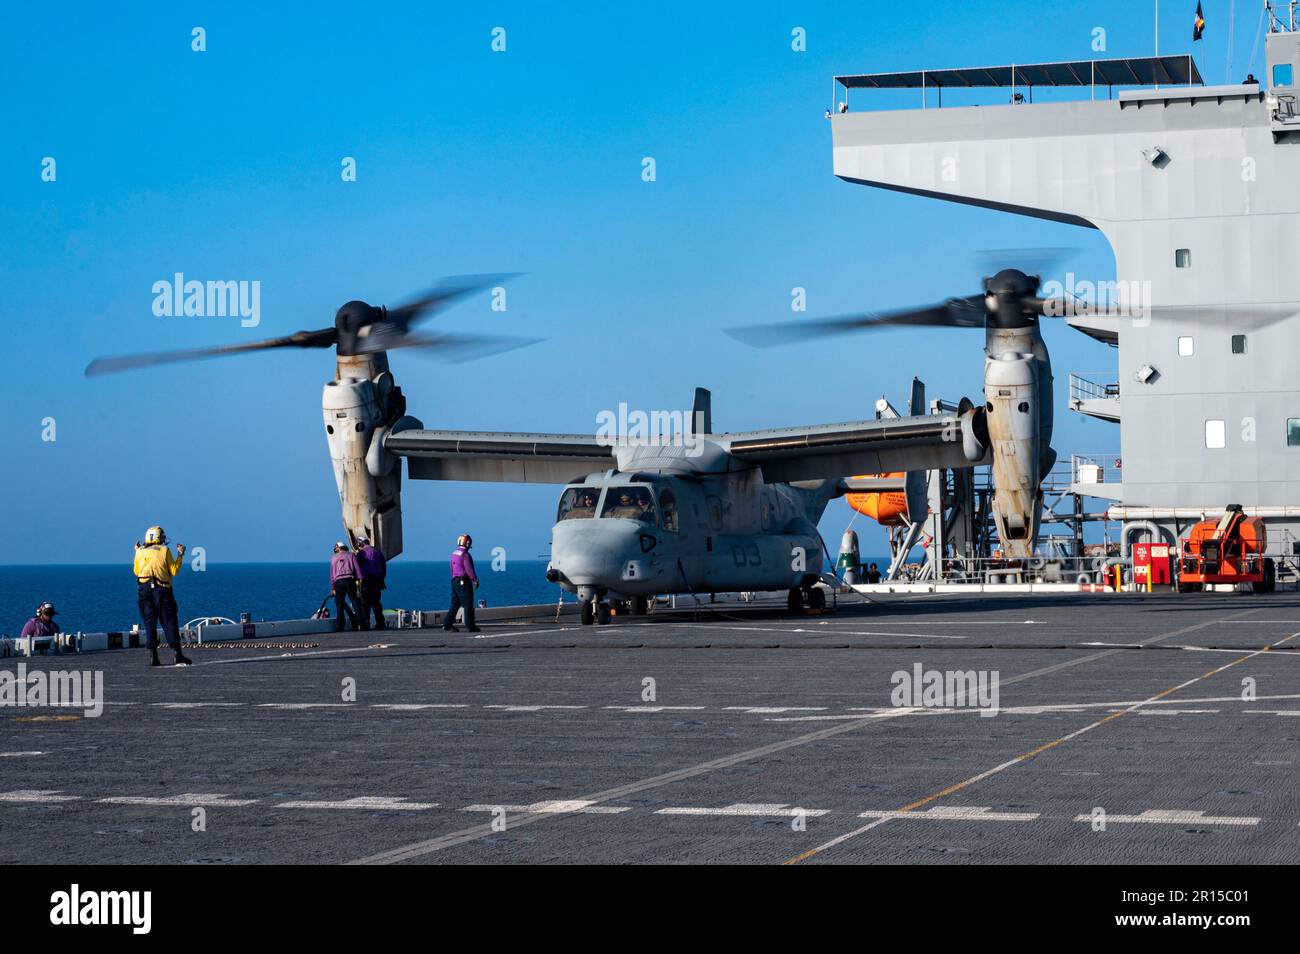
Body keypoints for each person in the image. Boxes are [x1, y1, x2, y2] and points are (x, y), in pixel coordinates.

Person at [134, 526, 192, 667]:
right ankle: (177, 654)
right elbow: (173, 570)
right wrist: (180, 555)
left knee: (149, 623)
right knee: (169, 621)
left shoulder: (139, 551)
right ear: (159, 538)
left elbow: (136, 571)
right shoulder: (164, 550)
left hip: (144, 590)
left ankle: (153, 656)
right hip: (162, 590)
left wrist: (137, 552)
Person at [443, 533, 481, 633]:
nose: (470, 546)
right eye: (469, 544)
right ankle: (471, 626)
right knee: (468, 604)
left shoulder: (454, 553)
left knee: (455, 604)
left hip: (454, 580)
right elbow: (469, 569)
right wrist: (475, 580)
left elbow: (451, 567)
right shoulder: (465, 555)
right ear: (466, 543)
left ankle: (447, 624)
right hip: (463, 581)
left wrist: (454, 577)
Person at [354, 536, 387, 630]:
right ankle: (380, 623)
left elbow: (357, 568)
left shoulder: (361, 553)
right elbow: (383, 566)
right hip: (377, 580)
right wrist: (381, 577)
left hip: (366, 581)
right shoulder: (377, 552)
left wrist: (358, 579)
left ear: (360, 543)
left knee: (365, 603)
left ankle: (366, 623)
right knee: (376, 602)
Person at [329, 542, 362, 632]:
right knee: (355, 602)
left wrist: (332, 588)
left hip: (338, 583)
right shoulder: (351, 555)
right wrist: (360, 579)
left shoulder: (333, 558)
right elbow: (357, 568)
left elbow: (332, 575)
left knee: (339, 605)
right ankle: (359, 624)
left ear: (338, 548)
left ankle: (341, 626)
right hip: (350, 581)